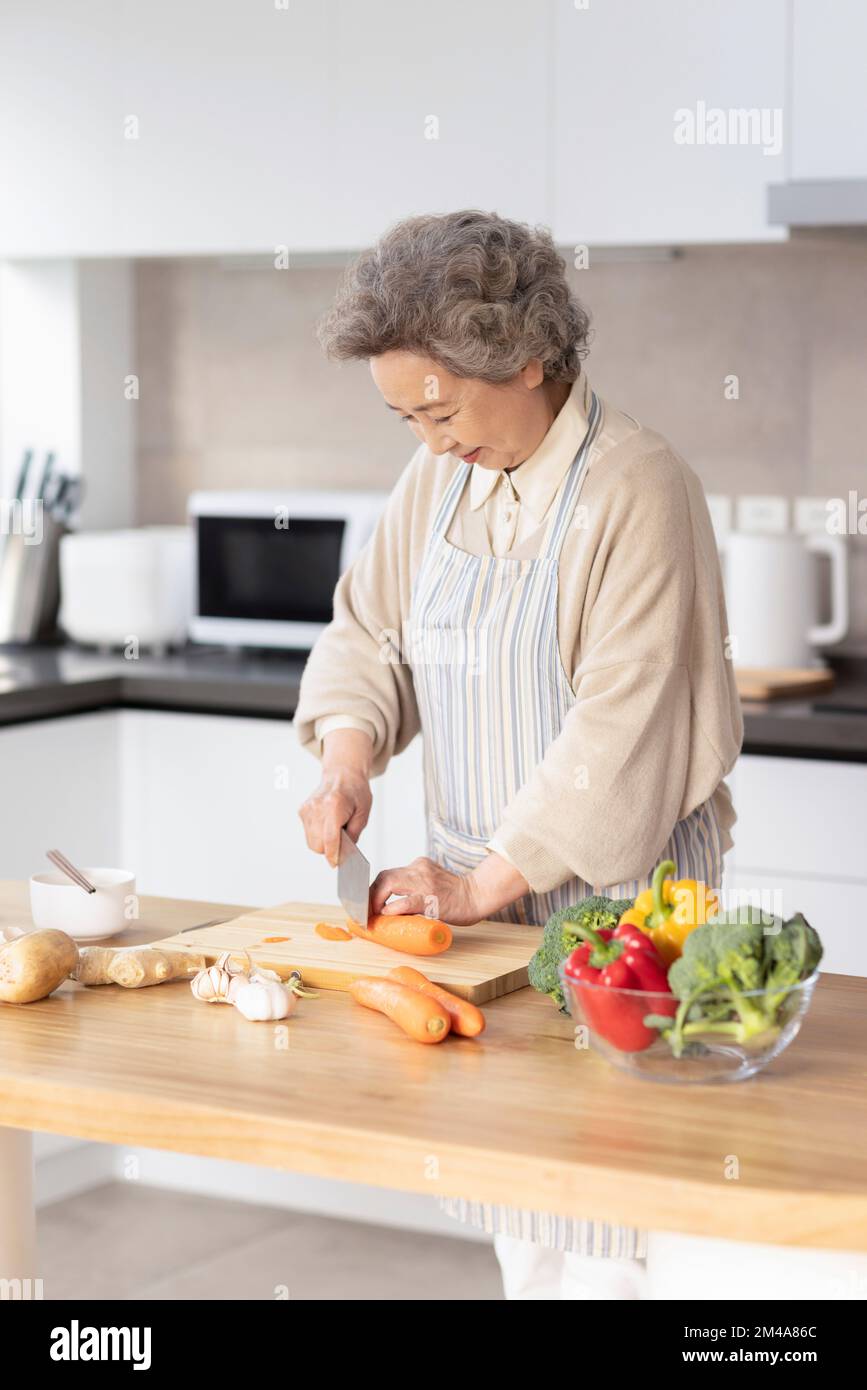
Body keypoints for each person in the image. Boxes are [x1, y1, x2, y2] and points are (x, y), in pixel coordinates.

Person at [294, 209, 742, 1299]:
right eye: (406, 419)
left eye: (440, 409)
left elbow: (621, 723)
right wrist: (350, 758)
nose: (432, 440)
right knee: (528, 1229)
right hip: (482, 937)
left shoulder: (635, 488)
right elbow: (371, 634)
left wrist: (483, 879)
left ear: (528, 355)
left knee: (623, 1237)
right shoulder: (441, 480)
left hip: (627, 921)